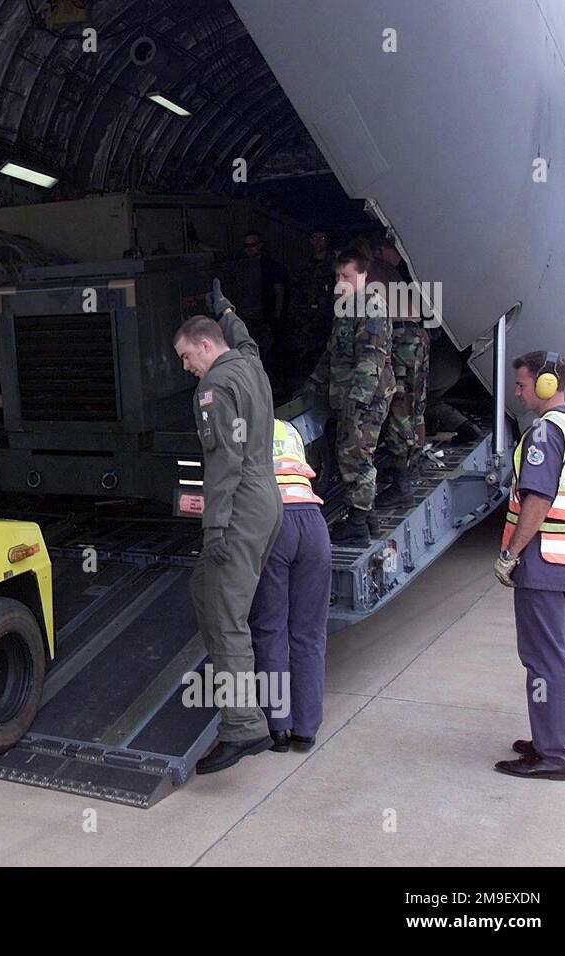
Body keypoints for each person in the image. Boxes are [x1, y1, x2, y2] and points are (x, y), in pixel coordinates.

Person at [173, 280, 282, 774]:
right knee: (206, 591)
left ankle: (243, 727)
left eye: (186, 356)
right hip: (268, 497)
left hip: (238, 503)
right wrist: (228, 308)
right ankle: (242, 716)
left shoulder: (213, 386)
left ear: (204, 345)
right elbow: (247, 340)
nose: (186, 367)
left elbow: (222, 463)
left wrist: (213, 529)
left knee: (225, 618)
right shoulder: (249, 365)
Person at [492, 351, 565, 781]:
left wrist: (511, 554)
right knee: (558, 657)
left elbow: (538, 500)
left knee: (543, 659)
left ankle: (553, 755)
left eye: (522, 383)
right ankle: (550, 739)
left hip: (543, 562)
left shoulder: (545, 434)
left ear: (547, 384)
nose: (517, 391)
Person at [248, 418, 333, 753]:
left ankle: (278, 727)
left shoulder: (242, 426)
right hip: (313, 522)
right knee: (309, 632)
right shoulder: (289, 428)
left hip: (275, 522)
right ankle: (306, 730)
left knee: (271, 629)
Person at [306, 249, 395, 546]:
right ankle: (367, 519)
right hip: (348, 396)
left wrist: (357, 402)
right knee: (355, 454)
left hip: (365, 398)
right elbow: (334, 354)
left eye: (346, 276)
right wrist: (313, 383)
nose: (340, 281)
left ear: (363, 276)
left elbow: (372, 359)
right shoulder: (346, 307)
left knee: (355, 457)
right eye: (337, 276)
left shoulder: (372, 308)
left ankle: (357, 524)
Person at [369, 236, 430, 506]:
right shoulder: (390, 272)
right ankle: (410, 467)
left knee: (398, 406)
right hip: (417, 337)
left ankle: (402, 484)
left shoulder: (373, 272)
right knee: (416, 406)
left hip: (402, 337)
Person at [286, 230, 334, 375]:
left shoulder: (334, 265)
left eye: (322, 237)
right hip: (305, 318)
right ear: (310, 241)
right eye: (315, 238)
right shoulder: (302, 265)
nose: (319, 241)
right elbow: (295, 290)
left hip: (326, 317)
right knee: (303, 355)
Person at [242, 230, 287, 353]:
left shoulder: (271, 266)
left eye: (253, 245)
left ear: (260, 245)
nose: (250, 249)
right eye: (247, 246)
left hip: (264, 319)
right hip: (246, 319)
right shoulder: (241, 266)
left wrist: (276, 318)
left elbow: (279, 294)